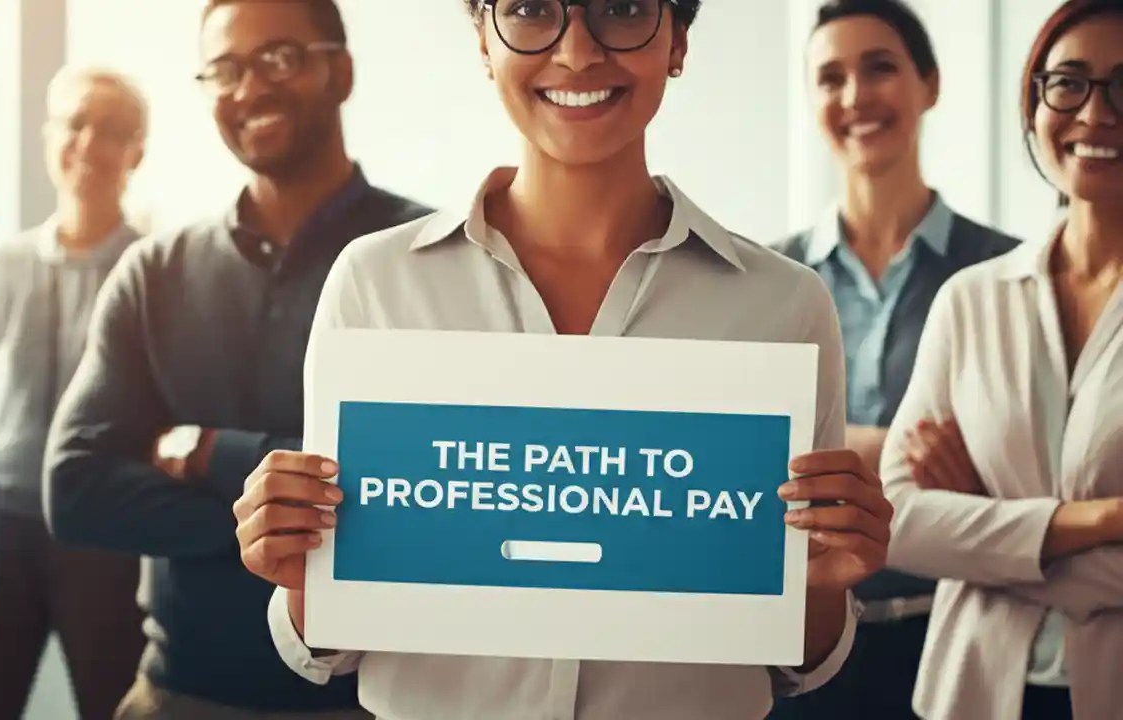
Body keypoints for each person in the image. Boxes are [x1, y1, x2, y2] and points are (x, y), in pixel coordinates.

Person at [233, 1, 895, 718]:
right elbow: (330, 638)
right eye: (529, 9)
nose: (577, 52)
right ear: (483, 41)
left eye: (622, 9)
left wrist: (826, 580)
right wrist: (300, 566)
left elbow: (795, 650)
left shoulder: (784, 306)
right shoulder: (376, 282)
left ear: (677, 40)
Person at [43, 1, 429, 718]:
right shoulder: (155, 270)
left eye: (278, 57)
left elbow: (431, 490)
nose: (249, 88)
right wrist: (263, 521)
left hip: (368, 703)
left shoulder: (427, 259)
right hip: (178, 694)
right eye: (224, 68)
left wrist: (210, 451)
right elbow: (75, 487)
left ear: (338, 72)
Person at [769, 2, 1019, 718]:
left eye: (879, 67)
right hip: (804, 649)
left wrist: (828, 446)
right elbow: (755, 458)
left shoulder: (1007, 273)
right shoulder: (767, 279)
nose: (854, 97)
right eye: (830, 78)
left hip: (956, 639)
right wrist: (913, 456)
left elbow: (1030, 473)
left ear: (930, 85)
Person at [880, 0, 1123, 718]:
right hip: (976, 688)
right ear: (1033, 103)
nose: (1094, 112)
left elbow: (936, 532)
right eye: (1068, 82)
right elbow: (897, 519)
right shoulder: (973, 298)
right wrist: (1102, 519)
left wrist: (984, 532)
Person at [0, 65, 149, 720]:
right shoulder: (4, 263)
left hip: (103, 535)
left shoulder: (151, 268)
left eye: (112, 130)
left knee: (113, 704)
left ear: (137, 152)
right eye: (75, 123)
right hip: (3, 529)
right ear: (50, 136)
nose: (89, 143)